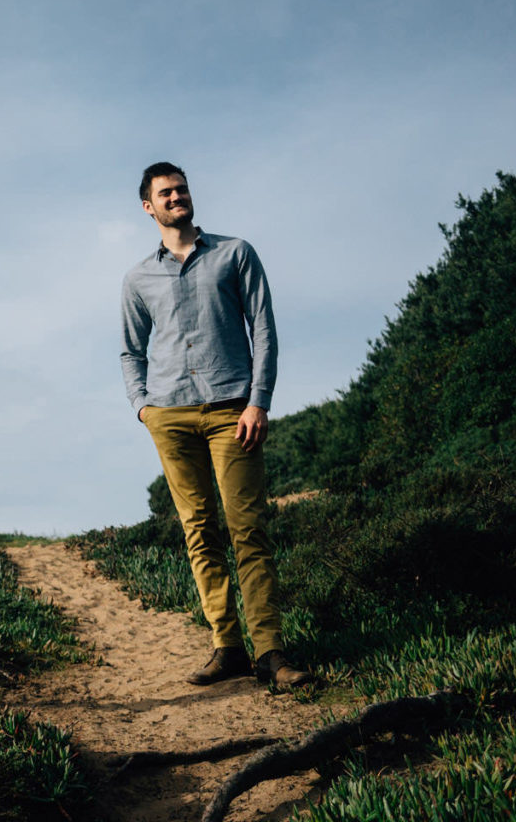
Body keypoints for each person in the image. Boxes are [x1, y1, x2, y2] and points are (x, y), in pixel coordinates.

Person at [119, 162, 310, 689]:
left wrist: (258, 401)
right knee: (199, 531)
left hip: (232, 409)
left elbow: (264, 329)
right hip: (169, 414)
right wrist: (143, 406)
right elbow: (130, 351)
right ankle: (226, 647)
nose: (177, 197)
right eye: (166, 193)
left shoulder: (235, 253)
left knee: (247, 528)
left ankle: (270, 651)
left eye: (181, 189)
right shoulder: (138, 278)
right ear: (148, 207)